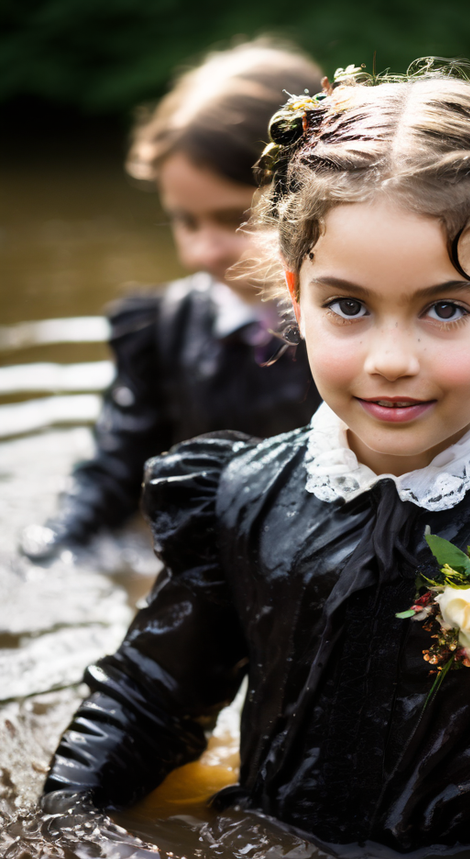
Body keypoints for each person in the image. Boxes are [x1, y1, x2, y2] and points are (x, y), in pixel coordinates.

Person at [42, 62, 470, 854]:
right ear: (295, 295)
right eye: (348, 306)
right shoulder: (241, 497)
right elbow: (146, 704)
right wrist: (62, 843)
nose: (391, 359)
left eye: (446, 308)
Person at [21, 39, 323, 561]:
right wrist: (55, 543)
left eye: (235, 218)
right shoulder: (162, 329)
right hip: (208, 558)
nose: (201, 250)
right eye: (184, 221)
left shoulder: (355, 331)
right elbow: (118, 463)